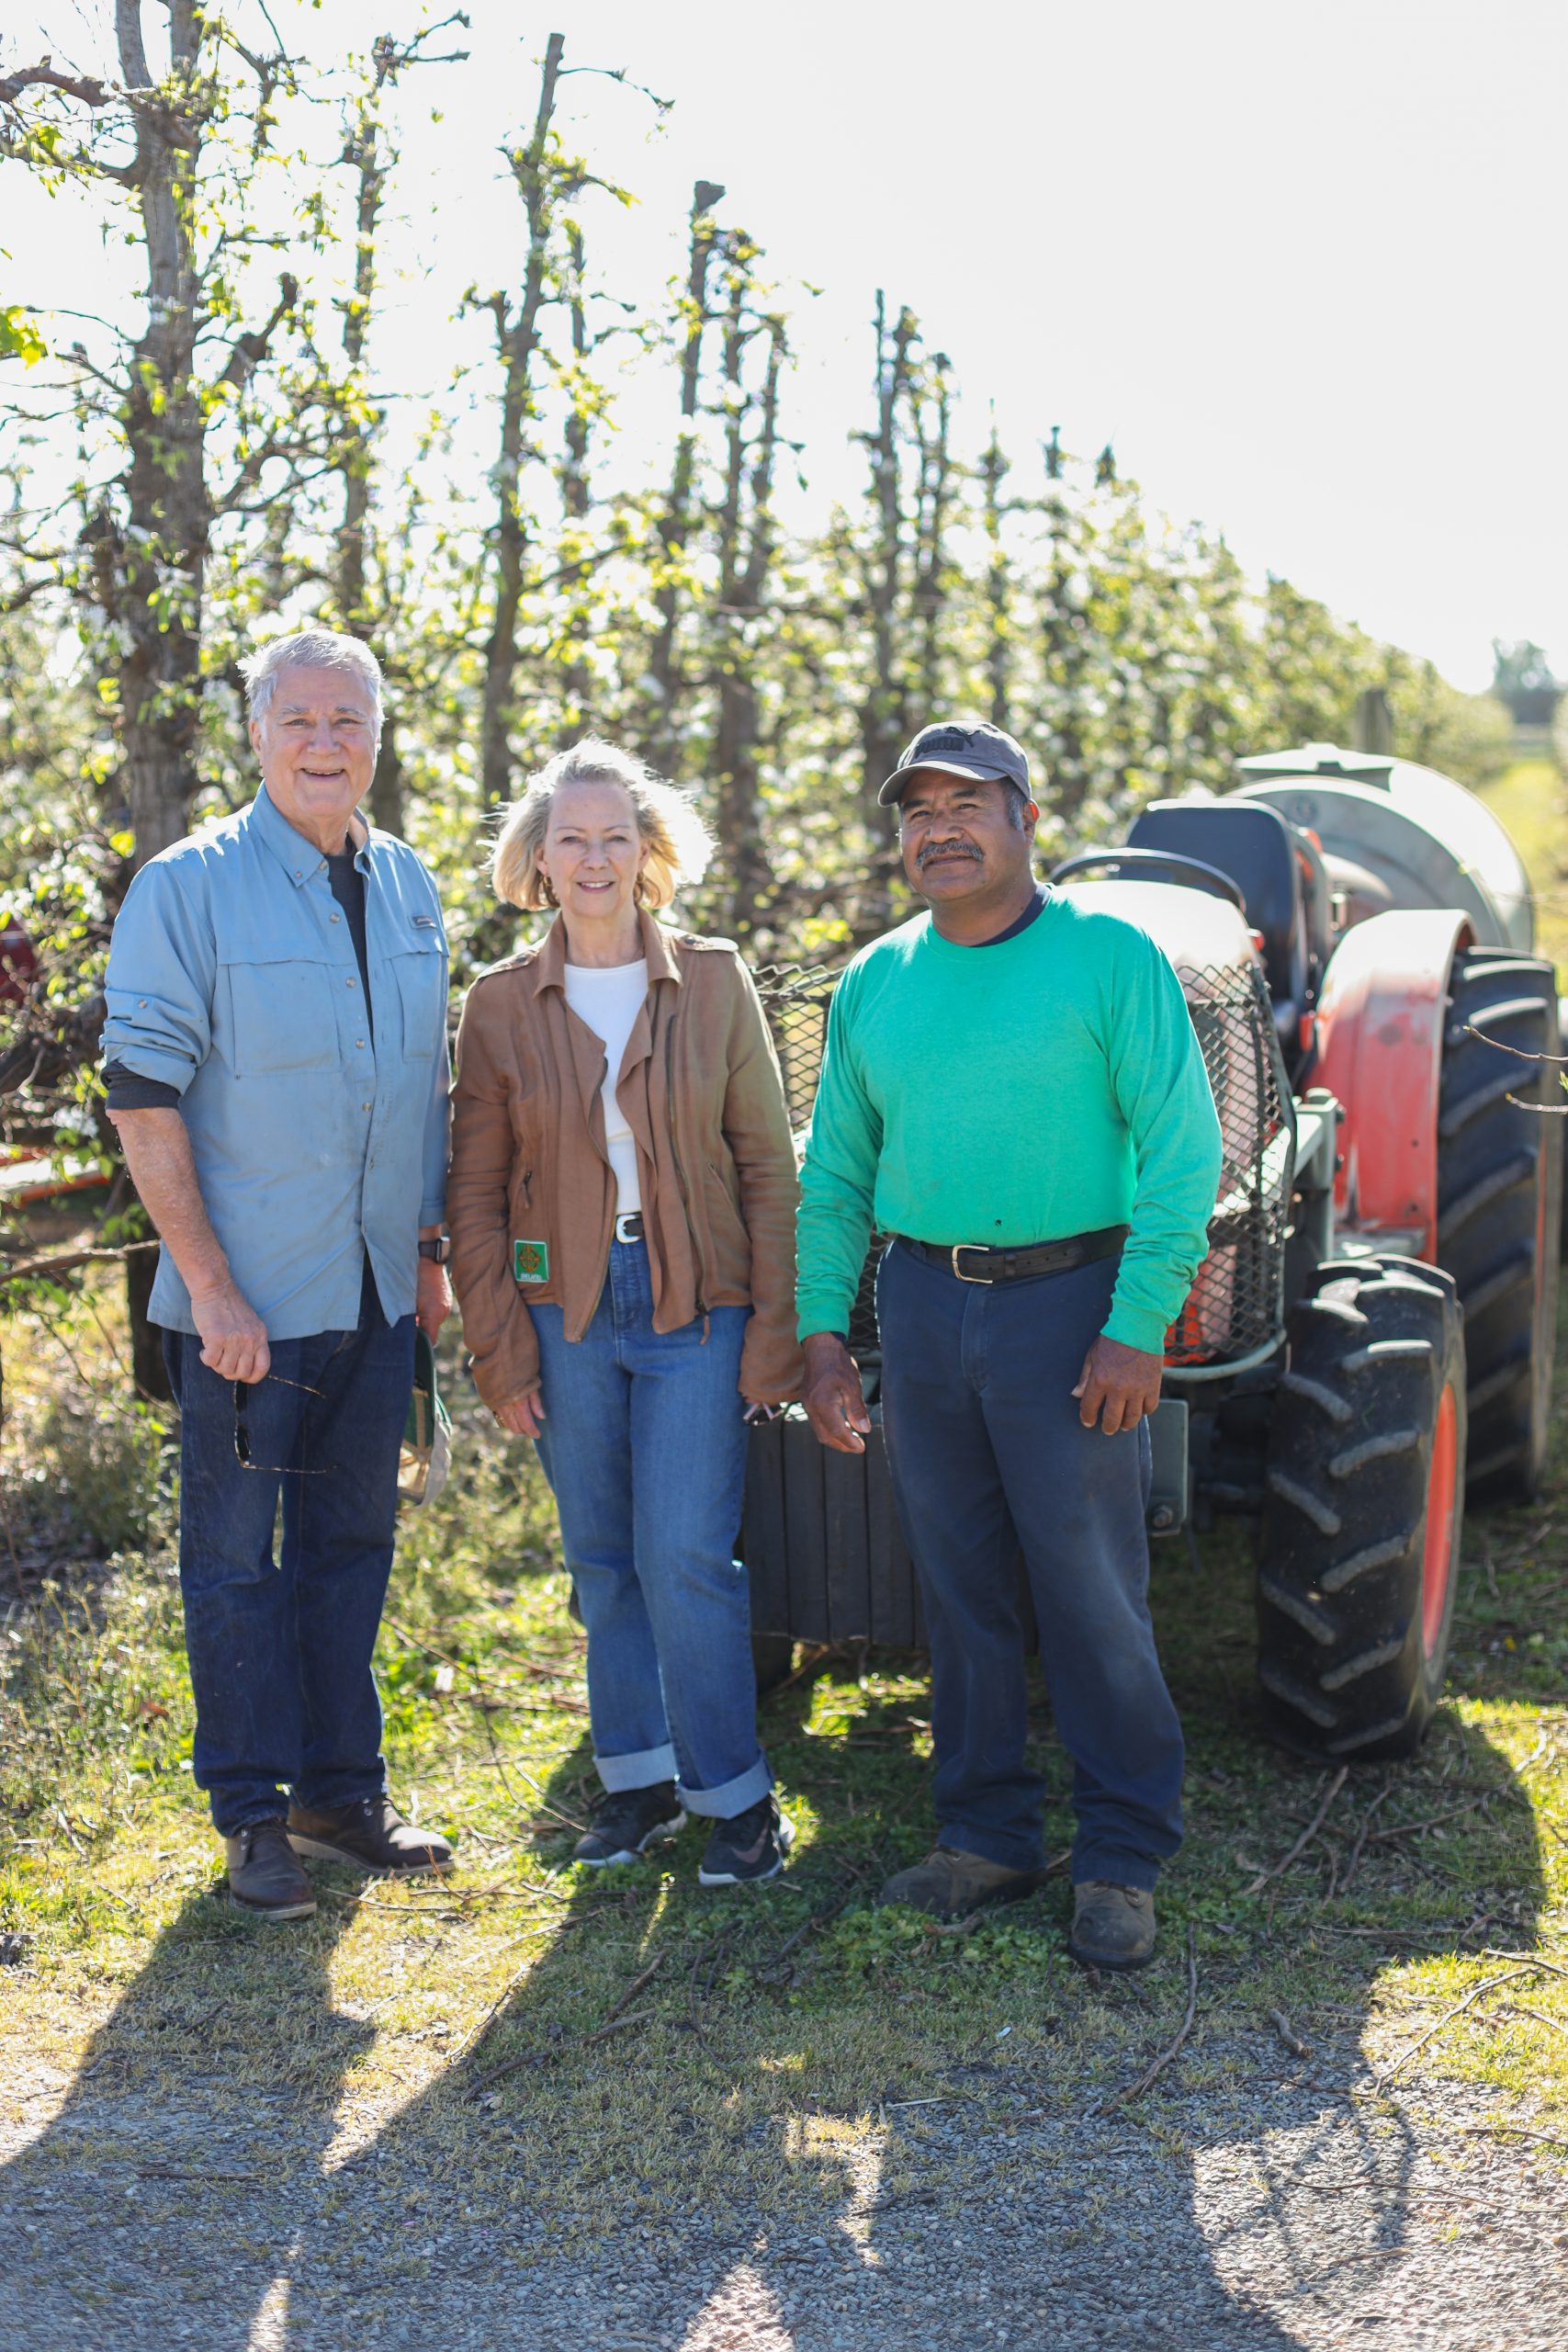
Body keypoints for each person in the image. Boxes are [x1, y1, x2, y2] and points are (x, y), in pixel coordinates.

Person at [796, 718, 1222, 1969]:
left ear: (1025, 819)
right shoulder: (876, 979)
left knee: (1089, 1588)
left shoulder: (1108, 958)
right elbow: (835, 1176)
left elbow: (1182, 1150)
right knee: (960, 1584)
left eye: (966, 804)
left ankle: (1121, 1851)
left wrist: (1134, 1326)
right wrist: (823, 1334)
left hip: (1069, 1304)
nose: (939, 829)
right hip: (923, 1304)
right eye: (918, 810)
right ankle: (985, 1835)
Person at [101, 627, 456, 1921]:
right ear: (255, 733)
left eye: (348, 720)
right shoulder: (185, 887)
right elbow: (142, 1097)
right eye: (298, 718)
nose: (324, 742)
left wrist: (427, 1252)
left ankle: (338, 1794)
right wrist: (209, 1287)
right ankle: (251, 1815)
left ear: (378, 738)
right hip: (246, 1311)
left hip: (373, 1291)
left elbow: (422, 1085)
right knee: (236, 1564)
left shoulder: (409, 883)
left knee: (351, 1545)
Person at [446, 739, 801, 1885]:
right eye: (572, 838)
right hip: (566, 1313)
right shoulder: (500, 1004)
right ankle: (637, 1781)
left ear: (648, 852)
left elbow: (768, 1166)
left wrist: (776, 1328)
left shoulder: (715, 979)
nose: (593, 858)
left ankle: (736, 1800)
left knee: (685, 1551)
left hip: (697, 1304)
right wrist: (498, 1349)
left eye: (615, 836)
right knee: (603, 1559)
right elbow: (472, 1193)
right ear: (539, 857)